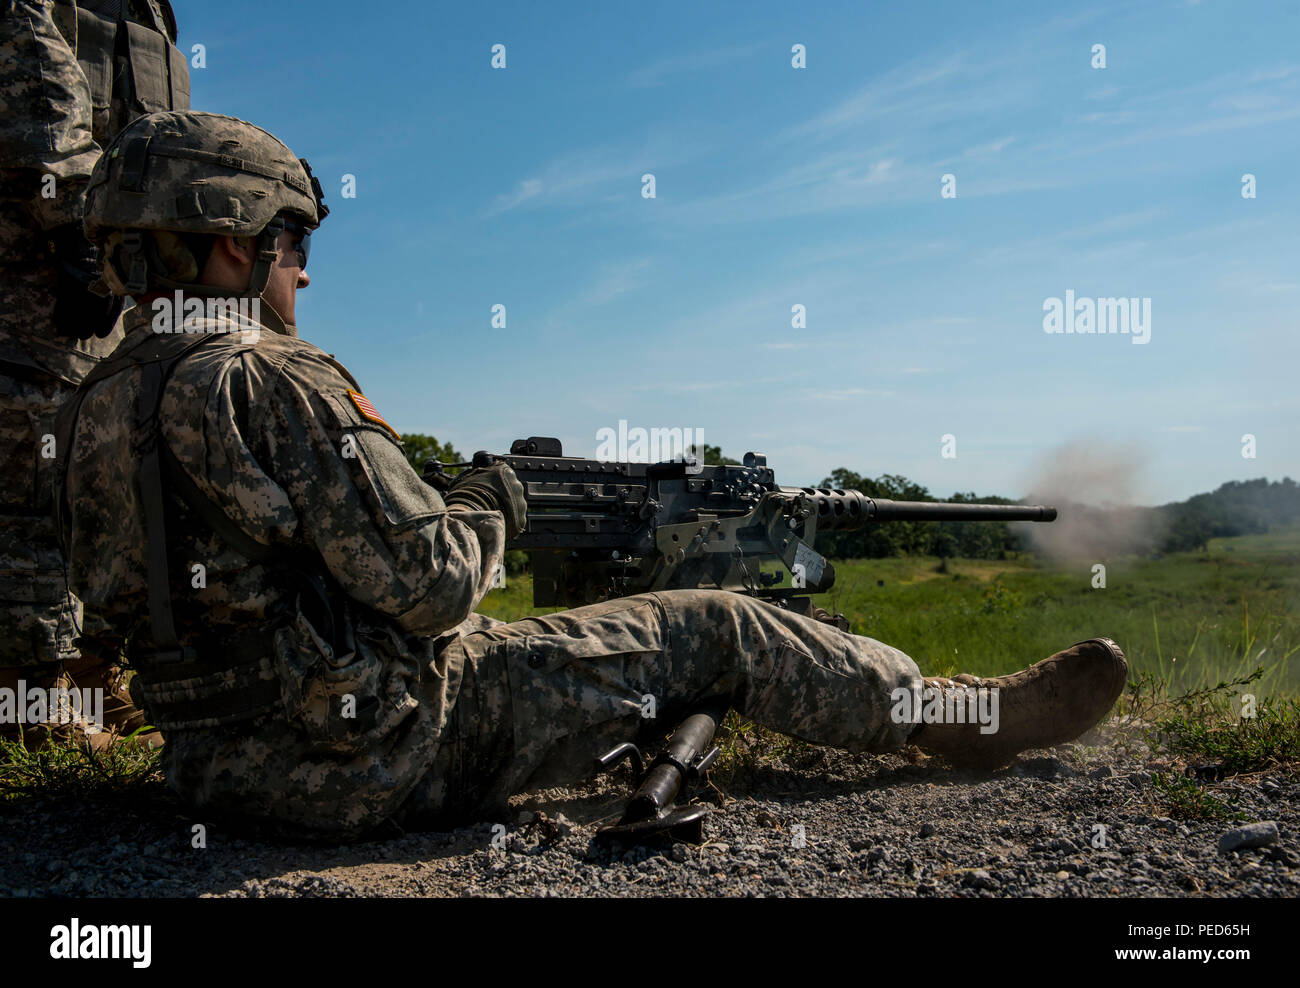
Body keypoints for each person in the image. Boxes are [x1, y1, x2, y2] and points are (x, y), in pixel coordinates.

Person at [60, 110, 1128, 840]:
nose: (304, 265)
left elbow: (123, 615)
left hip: (215, 774)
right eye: (292, 238)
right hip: (372, 760)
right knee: (718, 624)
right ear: (233, 241)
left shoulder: (96, 401)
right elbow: (432, 588)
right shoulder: (274, 377)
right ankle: (964, 719)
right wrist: (490, 505)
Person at [0, 0, 188, 745]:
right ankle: (29, 705)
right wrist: (78, 227)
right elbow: (31, 75)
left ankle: (86, 673)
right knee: (31, 473)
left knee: (103, 469)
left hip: (115, 255)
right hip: (43, 254)